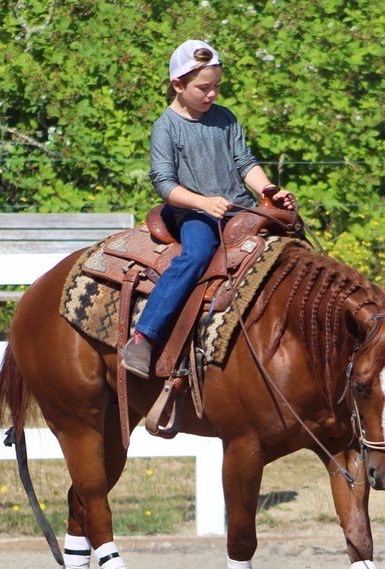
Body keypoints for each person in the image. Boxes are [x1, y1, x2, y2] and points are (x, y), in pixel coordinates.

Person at [120, 38, 297, 378]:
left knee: (288, 238)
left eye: (216, 87)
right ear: (178, 84)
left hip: (240, 208)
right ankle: (144, 336)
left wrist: (270, 190)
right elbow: (164, 184)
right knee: (196, 256)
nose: (212, 95)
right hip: (193, 213)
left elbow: (245, 164)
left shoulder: (225, 118)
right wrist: (202, 202)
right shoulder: (166, 127)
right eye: (204, 88)